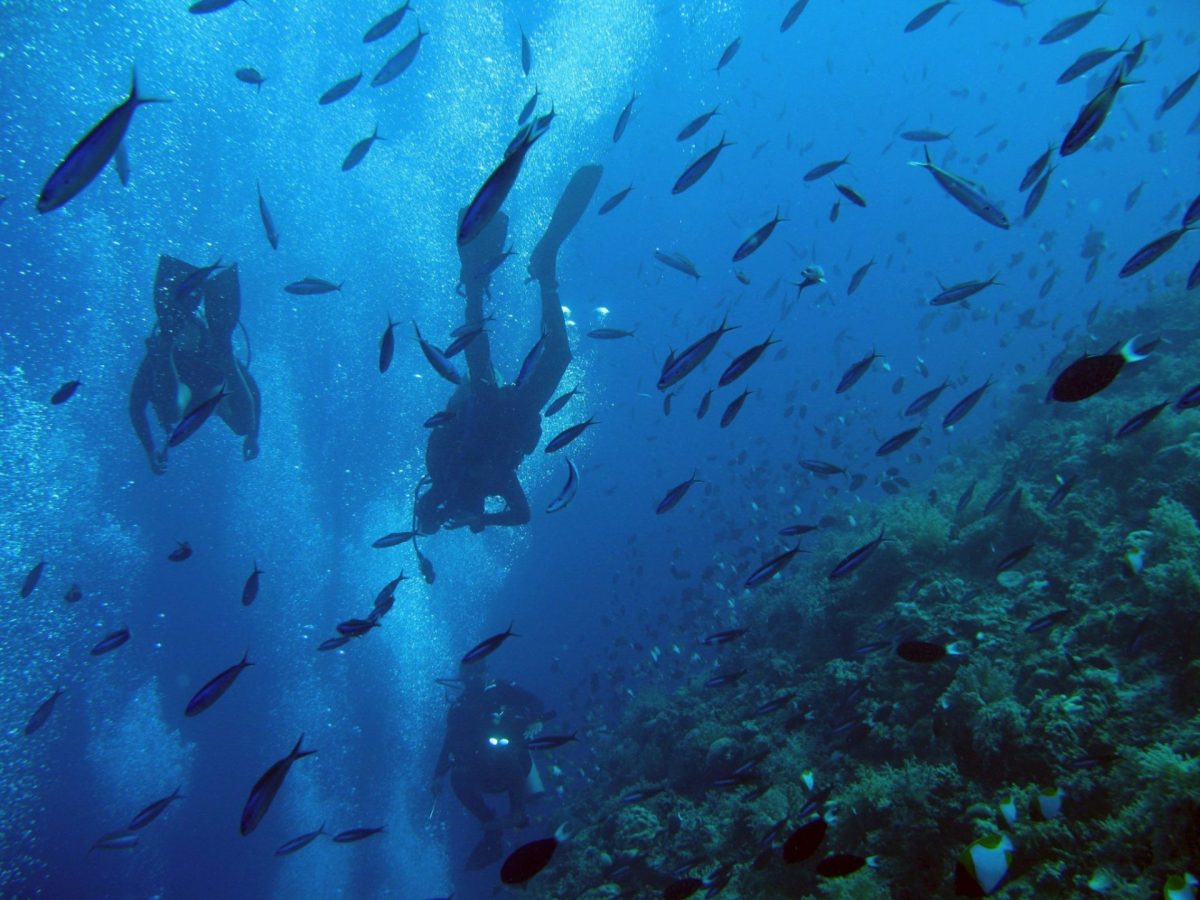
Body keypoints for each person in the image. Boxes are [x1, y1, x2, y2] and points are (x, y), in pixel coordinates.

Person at [415, 164, 602, 534]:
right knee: (560, 356)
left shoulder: (443, 473)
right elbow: (522, 514)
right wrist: (483, 518)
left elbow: (426, 507)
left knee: (475, 341)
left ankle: (474, 280)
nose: (467, 510)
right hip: (516, 410)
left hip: (483, 400)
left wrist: (443, 510)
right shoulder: (495, 484)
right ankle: (545, 271)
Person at [129, 255, 261, 474]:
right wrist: (253, 436)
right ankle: (219, 356)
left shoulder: (207, 348)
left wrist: (150, 450)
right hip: (199, 384)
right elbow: (253, 393)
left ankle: (188, 351)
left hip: (204, 385)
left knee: (176, 413)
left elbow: (136, 405)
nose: (188, 337)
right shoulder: (208, 348)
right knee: (241, 423)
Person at [431, 662, 548, 869]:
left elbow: (533, 700)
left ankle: (517, 812)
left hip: (515, 763)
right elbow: (449, 741)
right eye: (469, 673)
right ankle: (489, 824)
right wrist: (438, 775)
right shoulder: (459, 707)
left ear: (485, 672)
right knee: (458, 776)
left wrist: (537, 720)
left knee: (504, 753)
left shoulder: (501, 688)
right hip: (483, 771)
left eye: (478, 672)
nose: (474, 677)